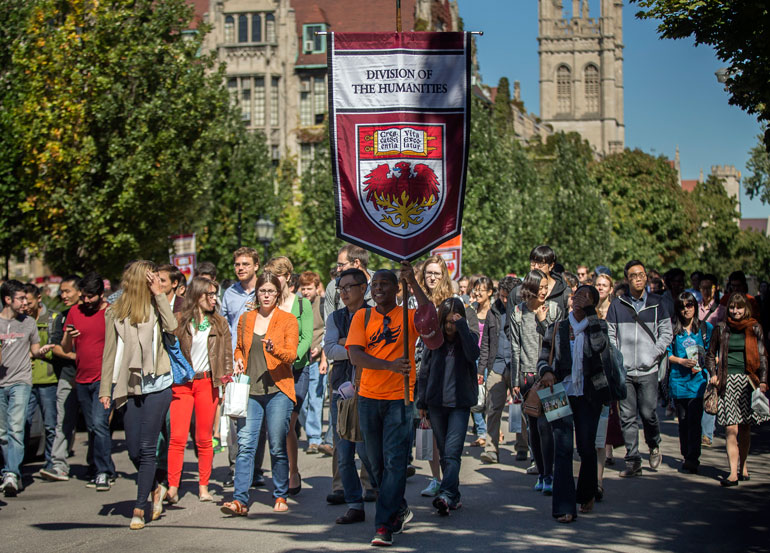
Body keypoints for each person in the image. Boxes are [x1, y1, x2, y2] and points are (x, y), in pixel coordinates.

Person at [346, 262, 435, 547]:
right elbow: (356, 357)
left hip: (400, 398)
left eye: (385, 284)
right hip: (369, 397)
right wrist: (390, 365)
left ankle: (383, 525)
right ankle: (399, 508)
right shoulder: (362, 316)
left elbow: (430, 319)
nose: (379, 289)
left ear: (398, 289)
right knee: (374, 461)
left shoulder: (408, 316)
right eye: (375, 285)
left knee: (396, 462)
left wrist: (414, 282)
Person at [100, 261, 178, 529]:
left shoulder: (158, 305)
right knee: (133, 449)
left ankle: (139, 507)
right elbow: (109, 353)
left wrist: (159, 295)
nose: (157, 282)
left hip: (159, 384)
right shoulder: (114, 312)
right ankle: (155, 486)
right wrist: (104, 390)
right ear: (138, 280)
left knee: (147, 447)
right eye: (152, 279)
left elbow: (172, 327)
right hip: (129, 386)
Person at [221, 271, 298, 515]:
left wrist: (275, 350)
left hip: (278, 390)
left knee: (277, 444)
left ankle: (280, 494)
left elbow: (292, 355)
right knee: (246, 446)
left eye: (271, 292)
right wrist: (238, 361)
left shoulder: (287, 320)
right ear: (257, 293)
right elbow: (240, 348)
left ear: (278, 294)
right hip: (250, 391)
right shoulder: (246, 318)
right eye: (262, 291)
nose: (266, 295)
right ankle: (239, 500)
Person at [538, 285, 610, 523]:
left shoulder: (598, 327)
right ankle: (564, 507)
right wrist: (546, 371)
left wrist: (591, 316)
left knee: (587, 448)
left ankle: (587, 492)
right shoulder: (556, 327)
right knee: (563, 448)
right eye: (577, 294)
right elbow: (542, 358)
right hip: (557, 392)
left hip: (590, 394)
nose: (579, 299)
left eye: (587, 297)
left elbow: (600, 349)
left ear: (594, 304)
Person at [413, 256, 479, 496]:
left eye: (436, 273)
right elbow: (425, 367)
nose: (431, 277)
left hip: (459, 398)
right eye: (428, 273)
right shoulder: (418, 306)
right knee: (437, 444)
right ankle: (439, 481)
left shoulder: (459, 310)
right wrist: (421, 400)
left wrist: (459, 325)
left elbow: (474, 352)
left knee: (451, 451)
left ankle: (448, 492)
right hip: (432, 392)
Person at [167, 277, 233, 503]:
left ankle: (203, 486)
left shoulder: (219, 323)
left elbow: (226, 355)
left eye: (216, 294)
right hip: (182, 384)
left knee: (204, 438)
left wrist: (225, 382)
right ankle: (173, 486)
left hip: (207, 383)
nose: (215, 299)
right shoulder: (178, 321)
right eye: (210, 294)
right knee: (177, 437)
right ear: (196, 296)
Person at [606, 260, 672, 477]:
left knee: (648, 412)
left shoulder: (656, 303)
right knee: (627, 416)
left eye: (641, 274)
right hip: (625, 371)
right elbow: (610, 334)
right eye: (633, 275)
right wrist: (618, 359)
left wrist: (653, 354)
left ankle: (653, 444)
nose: (638, 278)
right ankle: (633, 460)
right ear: (627, 279)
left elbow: (666, 333)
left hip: (648, 370)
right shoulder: (618, 304)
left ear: (646, 277)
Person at [323, 268, 373, 524]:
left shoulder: (374, 315)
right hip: (342, 391)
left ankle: (386, 495)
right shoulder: (335, 317)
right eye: (339, 288)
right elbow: (330, 349)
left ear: (363, 288)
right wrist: (356, 348)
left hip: (371, 391)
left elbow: (376, 349)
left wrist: (348, 344)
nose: (342, 293)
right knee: (344, 453)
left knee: (367, 452)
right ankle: (355, 504)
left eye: (347, 287)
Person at [506, 270, 562, 495]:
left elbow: (558, 342)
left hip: (552, 377)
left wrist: (544, 320)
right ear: (529, 289)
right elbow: (515, 347)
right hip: (528, 378)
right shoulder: (518, 312)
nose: (544, 292)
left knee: (552, 427)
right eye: (540, 288)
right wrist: (515, 380)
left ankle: (552, 472)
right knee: (535, 430)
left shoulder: (555, 310)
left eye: (546, 288)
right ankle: (541, 472)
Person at [706, 292, 769, 486]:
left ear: (746, 309)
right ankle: (732, 472)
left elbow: (763, 357)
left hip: (748, 382)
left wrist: (764, 381)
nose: (735, 311)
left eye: (739, 307)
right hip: (727, 381)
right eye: (732, 307)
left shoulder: (754, 327)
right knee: (730, 427)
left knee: (745, 428)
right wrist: (713, 373)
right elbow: (710, 355)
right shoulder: (721, 328)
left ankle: (743, 465)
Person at [61, 273, 116, 490]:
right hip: (82, 378)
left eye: (90, 297)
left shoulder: (111, 312)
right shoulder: (75, 311)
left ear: (101, 294)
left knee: (100, 423)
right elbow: (66, 348)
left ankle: (103, 471)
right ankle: (98, 466)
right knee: (92, 426)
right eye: (83, 297)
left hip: (105, 378)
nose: (85, 301)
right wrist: (69, 335)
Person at [263, 256, 312, 497]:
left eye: (277, 275)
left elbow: (306, 338)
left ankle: (292, 470)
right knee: (279, 426)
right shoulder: (266, 304)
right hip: (273, 371)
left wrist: (290, 357)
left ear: (287, 278)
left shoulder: (302, 304)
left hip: (297, 369)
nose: (272, 280)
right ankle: (284, 470)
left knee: (289, 422)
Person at [0, 280, 54, 496]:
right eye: (21, 298)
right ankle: (11, 472)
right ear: (8, 300)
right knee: (2, 432)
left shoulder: (29, 323)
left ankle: (11, 473)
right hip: (0, 383)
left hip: (21, 381)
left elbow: (33, 349)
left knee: (16, 428)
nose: (25, 303)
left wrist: (40, 352)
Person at [220, 247, 260, 488]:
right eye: (237, 265)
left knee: (258, 417)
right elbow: (224, 327)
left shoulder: (265, 290)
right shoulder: (229, 293)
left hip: (258, 360)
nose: (241, 268)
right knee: (235, 416)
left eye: (246, 264)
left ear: (256, 265)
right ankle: (236, 468)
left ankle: (255, 469)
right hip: (236, 363)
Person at [479, 276, 528, 463]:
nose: (504, 300)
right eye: (502, 296)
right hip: (497, 365)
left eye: (508, 297)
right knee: (493, 408)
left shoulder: (523, 311)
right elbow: (486, 343)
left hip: (517, 366)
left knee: (520, 409)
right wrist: (481, 369)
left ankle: (522, 445)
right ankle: (491, 449)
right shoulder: (493, 311)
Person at [40, 275, 81, 481]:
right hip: (68, 375)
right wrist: (78, 356)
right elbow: (55, 347)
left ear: (80, 292)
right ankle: (58, 464)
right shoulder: (61, 317)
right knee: (63, 421)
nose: (63, 295)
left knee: (97, 424)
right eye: (61, 292)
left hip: (94, 377)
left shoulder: (101, 314)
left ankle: (99, 466)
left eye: (67, 291)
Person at [667, 292, 712, 474]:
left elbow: (712, 352)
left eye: (690, 305)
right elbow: (667, 355)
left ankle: (693, 458)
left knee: (695, 421)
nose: (686, 310)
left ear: (695, 306)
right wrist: (681, 361)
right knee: (683, 421)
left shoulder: (705, 328)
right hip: (679, 382)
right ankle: (686, 454)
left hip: (698, 382)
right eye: (683, 306)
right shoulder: (672, 329)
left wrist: (705, 363)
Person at [22, 283, 62, 478]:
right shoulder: (19, 320)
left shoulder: (53, 318)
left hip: (48, 378)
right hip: (25, 379)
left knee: (50, 424)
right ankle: (17, 466)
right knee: (22, 424)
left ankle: (51, 462)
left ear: (39, 298)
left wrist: (34, 353)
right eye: (22, 301)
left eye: (28, 302)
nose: (25, 306)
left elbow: (56, 348)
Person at [298, 271, 327, 454]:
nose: (306, 292)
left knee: (316, 399)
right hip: (300, 360)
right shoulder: (297, 305)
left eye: (309, 288)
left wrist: (322, 354)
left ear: (317, 288)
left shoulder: (323, 305)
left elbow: (328, 331)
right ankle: (310, 430)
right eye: (303, 288)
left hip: (317, 360)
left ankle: (314, 438)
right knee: (301, 401)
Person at [324, 245, 372, 319]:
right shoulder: (333, 287)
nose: (338, 270)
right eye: (341, 288)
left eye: (341, 265)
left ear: (356, 263)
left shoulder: (381, 283)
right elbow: (328, 324)